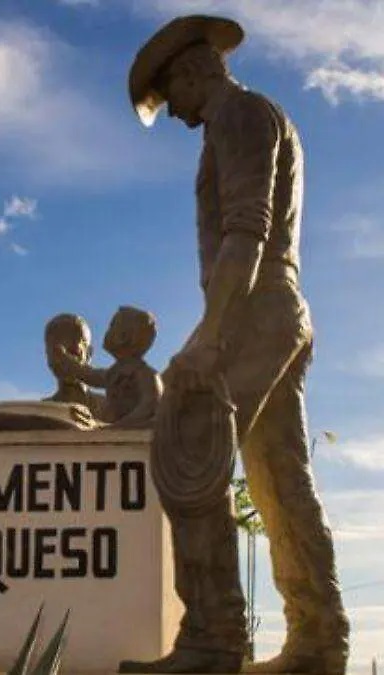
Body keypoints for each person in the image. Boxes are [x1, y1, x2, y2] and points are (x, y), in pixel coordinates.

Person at [119, 15, 349, 674]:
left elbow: (246, 230)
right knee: (280, 479)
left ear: (196, 72)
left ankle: (213, 638)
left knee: (192, 449)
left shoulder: (243, 117)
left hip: (257, 309)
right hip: (272, 310)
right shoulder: (243, 119)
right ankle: (318, 639)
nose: (171, 114)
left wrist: (209, 335)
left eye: (171, 94)